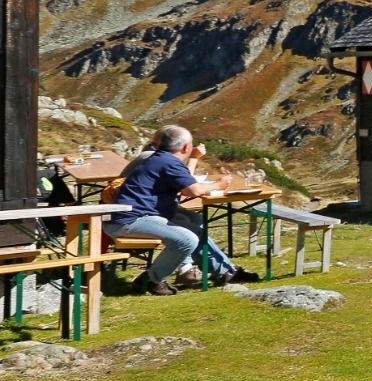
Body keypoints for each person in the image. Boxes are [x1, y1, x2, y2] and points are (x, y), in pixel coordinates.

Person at [123, 137, 258, 286]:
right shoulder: (155, 159)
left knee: (194, 219)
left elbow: (184, 180)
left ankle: (207, 270)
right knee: (190, 230)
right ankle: (215, 271)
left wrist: (193, 160)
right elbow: (188, 187)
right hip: (139, 214)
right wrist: (215, 181)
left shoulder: (155, 157)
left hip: (145, 209)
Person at [105, 126, 212, 295]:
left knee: (191, 222)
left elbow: (186, 184)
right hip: (130, 221)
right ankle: (151, 279)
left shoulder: (159, 158)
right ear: (186, 147)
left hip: (131, 216)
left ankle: (198, 269)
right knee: (187, 239)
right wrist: (220, 185)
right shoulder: (168, 162)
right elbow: (194, 191)